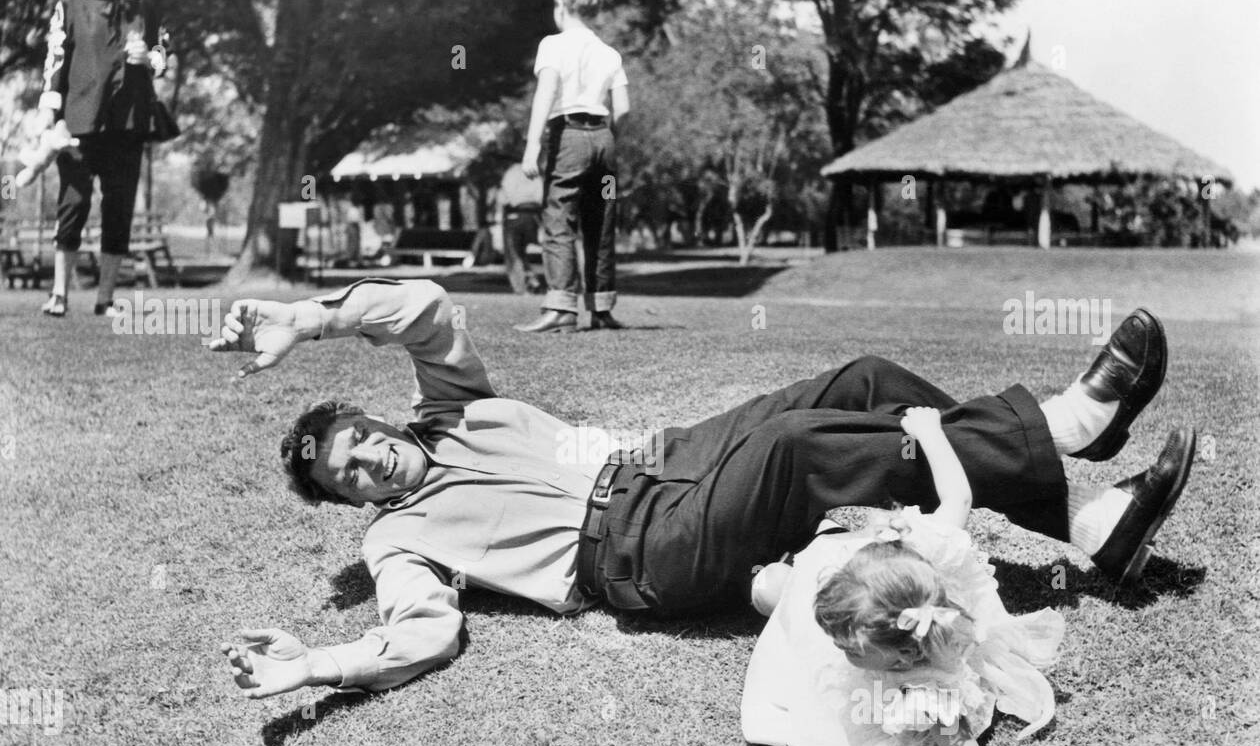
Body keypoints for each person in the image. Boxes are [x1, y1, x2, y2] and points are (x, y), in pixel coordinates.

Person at [206, 281, 1193, 702]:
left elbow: (423, 311)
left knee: (864, 380)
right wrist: (317, 665)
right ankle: (1068, 430)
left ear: (377, 423)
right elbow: (423, 634)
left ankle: (1085, 529)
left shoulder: (453, 410)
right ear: (353, 502)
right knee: (799, 449)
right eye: (349, 474)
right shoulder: (400, 542)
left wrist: (310, 316)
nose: (369, 460)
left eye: (360, 439)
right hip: (634, 556)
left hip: (655, 462)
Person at [743, 406, 1087, 746]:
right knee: (780, 586)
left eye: (849, 649)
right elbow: (958, 497)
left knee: (764, 590)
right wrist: (928, 431)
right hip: (846, 578)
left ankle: (769, 582)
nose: (837, 649)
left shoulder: (928, 686)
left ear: (902, 654)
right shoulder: (909, 557)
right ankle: (778, 579)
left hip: (892, 641)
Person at [36, 0, 167, 319]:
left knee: (119, 207)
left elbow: (164, 53)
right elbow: (55, 59)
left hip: (128, 122)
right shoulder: (70, 4)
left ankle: (105, 300)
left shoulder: (146, 6)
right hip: (78, 121)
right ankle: (59, 294)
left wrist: (151, 58)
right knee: (73, 203)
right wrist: (48, 110)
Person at [515, 0, 629, 334]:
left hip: (568, 135)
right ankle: (601, 306)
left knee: (559, 216)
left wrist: (532, 145)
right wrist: (608, 139)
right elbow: (623, 108)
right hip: (604, 137)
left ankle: (562, 306)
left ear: (561, 5)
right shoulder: (609, 52)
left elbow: (546, 94)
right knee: (601, 220)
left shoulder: (553, 45)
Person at [495, 156, 545, 295]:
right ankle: (531, 278)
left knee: (514, 253)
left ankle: (521, 287)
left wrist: (499, 219)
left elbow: (503, 197)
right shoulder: (535, 171)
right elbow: (542, 194)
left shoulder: (511, 172)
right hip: (534, 215)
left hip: (514, 214)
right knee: (527, 251)